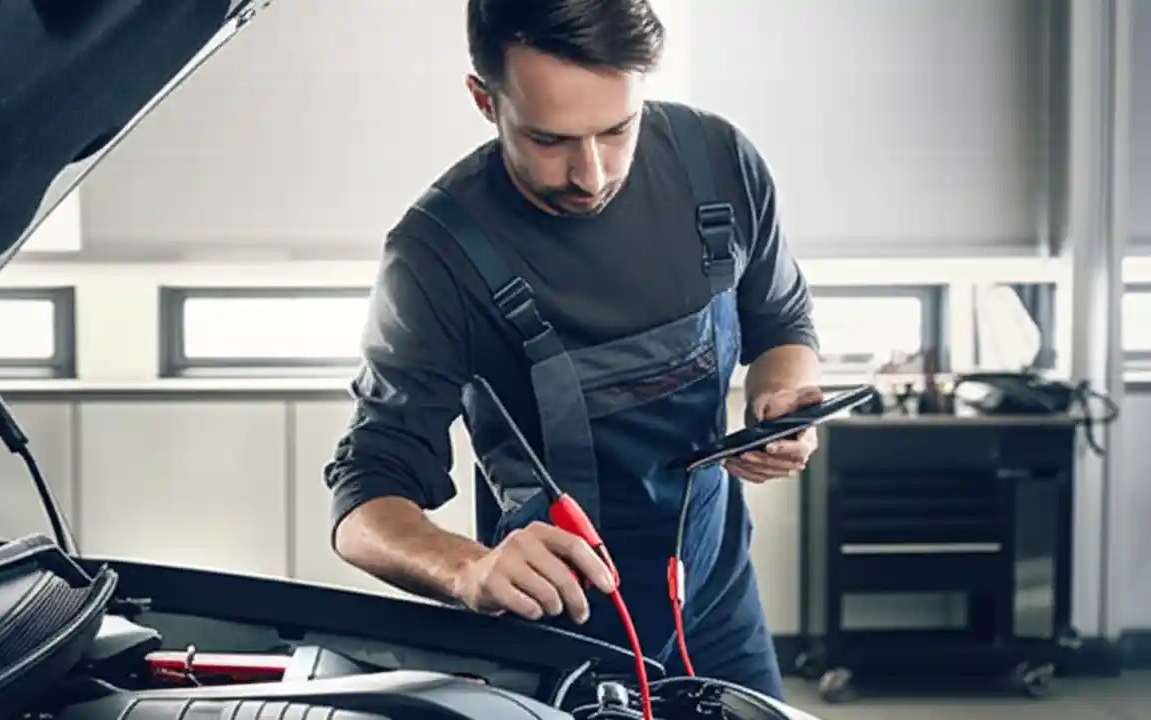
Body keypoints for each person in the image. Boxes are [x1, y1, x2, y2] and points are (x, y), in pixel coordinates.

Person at [325, 0, 822, 700]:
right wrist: (467, 569)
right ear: (484, 99)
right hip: (560, 638)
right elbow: (365, 497)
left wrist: (785, 400)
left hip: (716, 604)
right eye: (549, 140)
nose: (591, 175)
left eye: (618, 129)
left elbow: (783, 320)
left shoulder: (719, 163)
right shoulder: (435, 258)